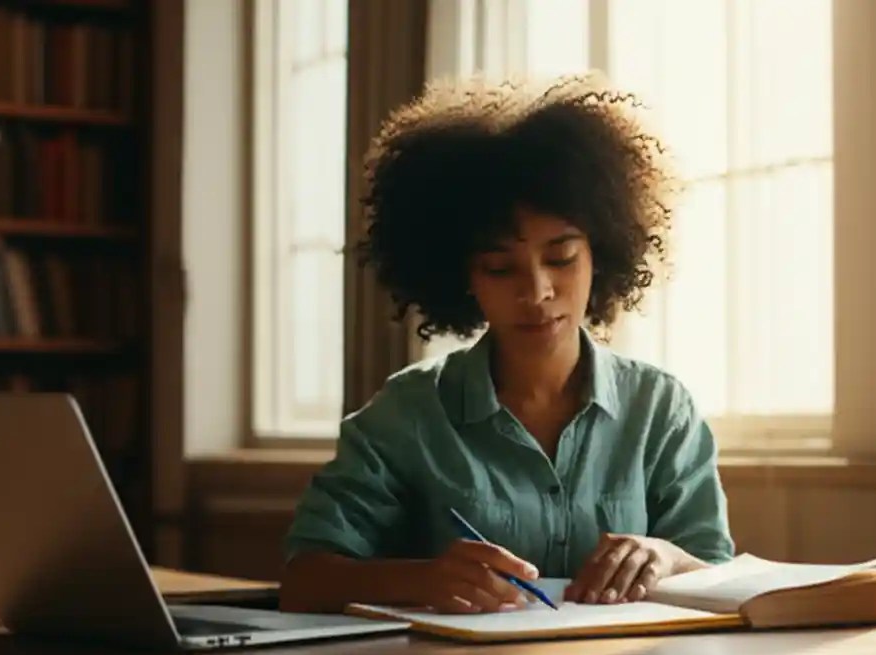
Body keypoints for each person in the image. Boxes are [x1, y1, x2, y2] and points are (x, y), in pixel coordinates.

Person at [280, 75, 733, 615]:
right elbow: (305, 580)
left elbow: (719, 576)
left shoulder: (660, 410)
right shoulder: (407, 416)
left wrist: (664, 555)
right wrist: (420, 580)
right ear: (461, 275)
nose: (537, 291)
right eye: (500, 268)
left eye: (562, 258)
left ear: (602, 254)